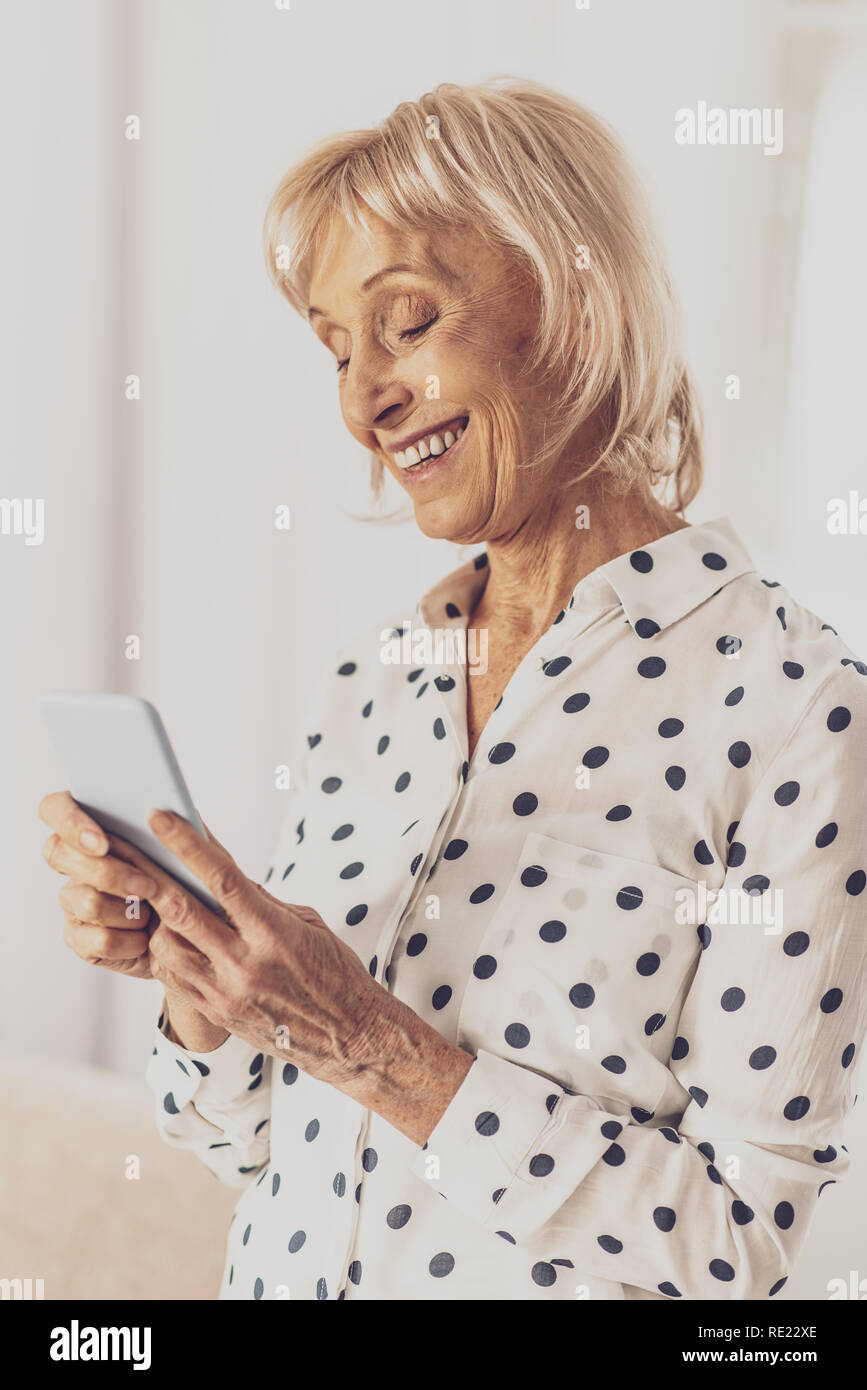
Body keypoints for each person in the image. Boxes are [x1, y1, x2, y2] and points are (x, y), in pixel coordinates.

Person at [40, 79, 867, 1301]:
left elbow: (734, 1246)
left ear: (574, 295)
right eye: (336, 349)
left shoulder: (797, 706)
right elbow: (241, 1140)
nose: (362, 398)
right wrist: (203, 984)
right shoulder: (374, 682)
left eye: (407, 321)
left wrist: (373, 1045)